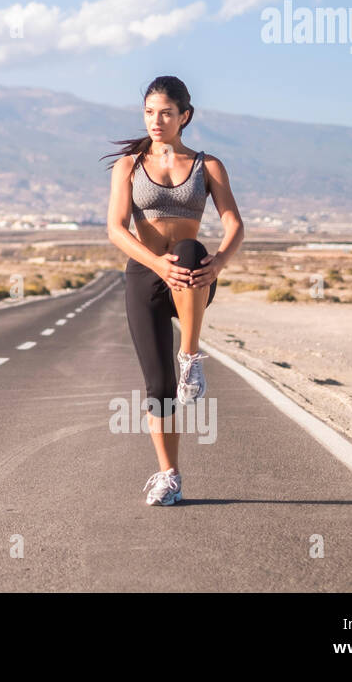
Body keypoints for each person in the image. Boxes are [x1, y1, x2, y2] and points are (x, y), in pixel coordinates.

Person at [102, 76, 244, 505]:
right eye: (149, 112)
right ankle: (169, 477)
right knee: (158, 388)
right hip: (147, 275)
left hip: (192, 278)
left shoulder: (209, 166)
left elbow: (234, 223)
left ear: (185, 116)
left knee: (187, 248)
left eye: (165, 112)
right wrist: (153, 262)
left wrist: (217, 262)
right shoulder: (129, 166)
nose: (156, 120)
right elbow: (115, 228)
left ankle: (191, 355)